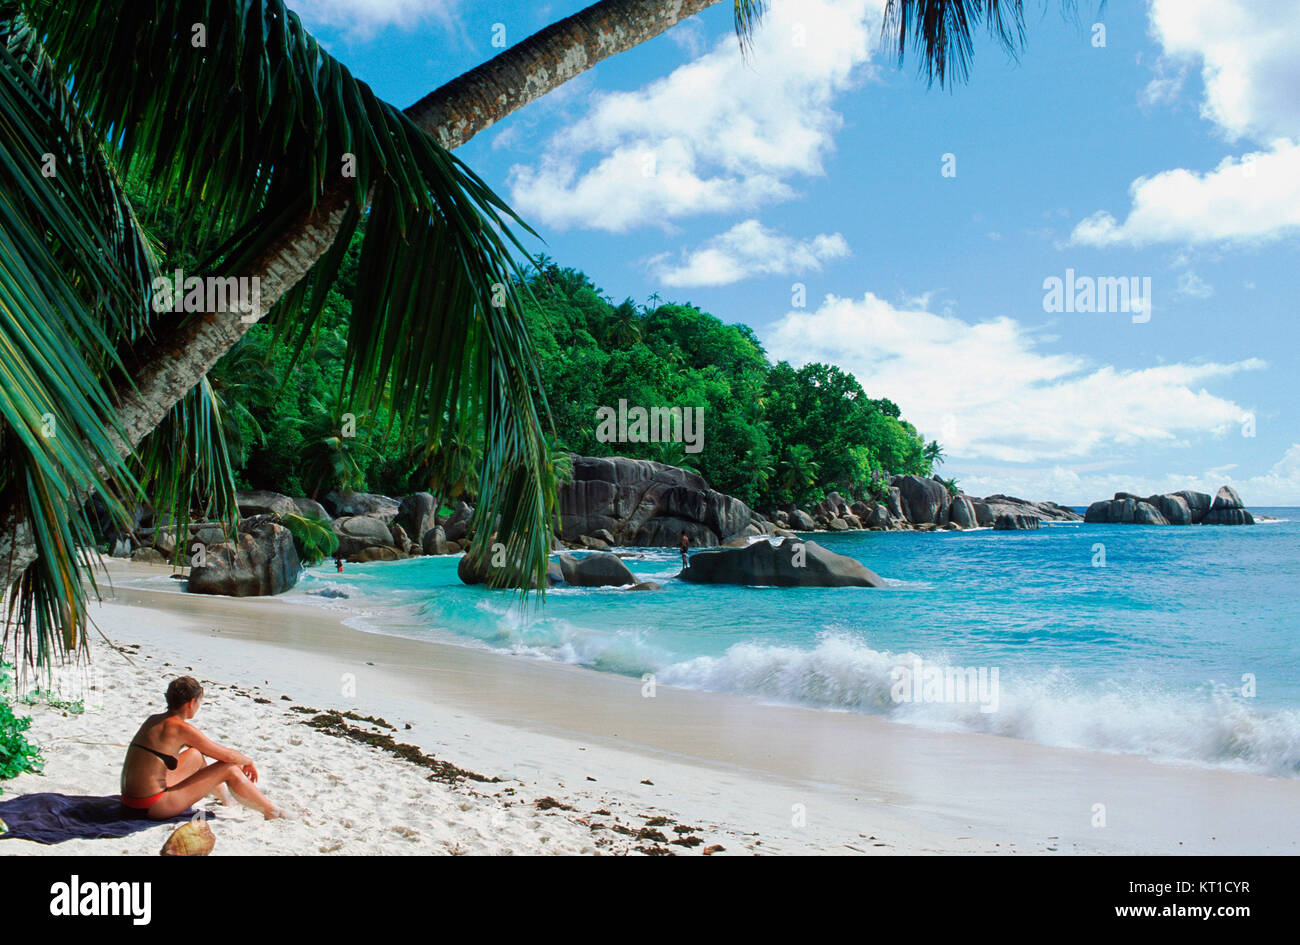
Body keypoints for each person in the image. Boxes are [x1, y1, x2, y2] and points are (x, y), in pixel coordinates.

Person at [119, 675, 285, 820]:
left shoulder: (153, 719)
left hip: (130, 801)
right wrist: (247, 761)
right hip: (150, 807)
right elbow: (227, 757)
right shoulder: (181, 729)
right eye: (199, 702)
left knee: (195, 755)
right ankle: (272, 811)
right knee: (229, 768)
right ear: (191, 703)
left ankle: (225, 798)